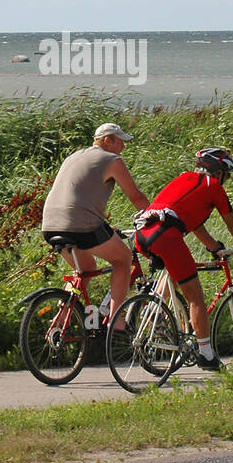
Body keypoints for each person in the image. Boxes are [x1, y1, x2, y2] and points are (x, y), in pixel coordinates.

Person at [134, 148, 233, 369]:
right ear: (218, 172)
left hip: (143, 234)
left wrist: (215, 247)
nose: (228, 180)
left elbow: (193, 223)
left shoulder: (184, 179)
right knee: (195, 296)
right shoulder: (213, 187)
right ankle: (206, 355)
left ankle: (155, 314)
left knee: (177, 272)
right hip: (165, 236)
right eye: (227, 174)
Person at [42, 123, 151, 329]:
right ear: (107, 140)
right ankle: (115, 316)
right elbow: (136, 197)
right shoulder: (112, 160)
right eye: (120, 142)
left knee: (86, 269)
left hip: (50, 224)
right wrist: (156, 216)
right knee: (123, 259)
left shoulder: (72, 157)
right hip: (81, 224)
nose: (123, 148)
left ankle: (60, 322)